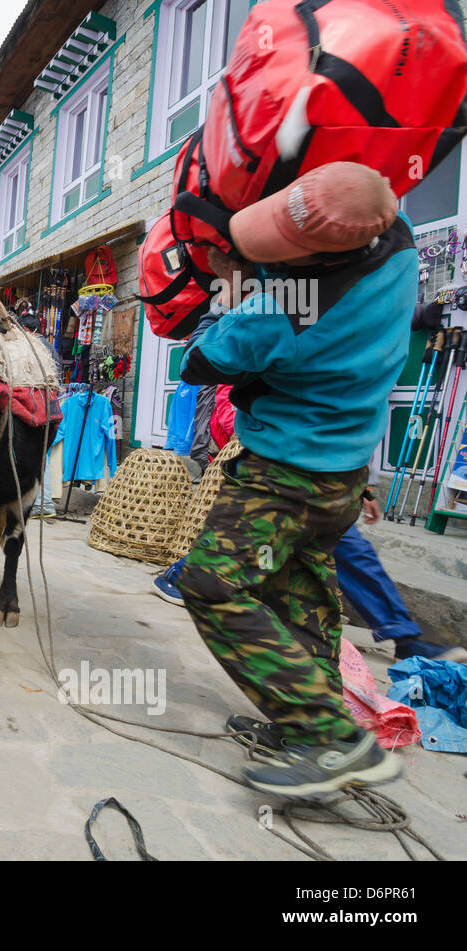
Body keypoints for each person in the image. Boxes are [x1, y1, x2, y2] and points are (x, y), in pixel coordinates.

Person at [174, 162, 414, 798]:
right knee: (297, 591)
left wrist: (230, 290)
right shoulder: (400, 241)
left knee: (210, 581)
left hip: (284, 473)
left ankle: (331, 740)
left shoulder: (280, 314)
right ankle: (307, 725)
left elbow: (201, 362)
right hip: (342, 472)